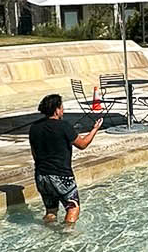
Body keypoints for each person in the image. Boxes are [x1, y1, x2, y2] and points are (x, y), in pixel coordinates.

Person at [29, 92, 102, 225]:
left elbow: (34, 154)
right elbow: (83, 144)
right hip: (61, 175)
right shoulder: (64, 126)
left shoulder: (34, 128)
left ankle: (48, 235)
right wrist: (95, 130)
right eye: (62, 107)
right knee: (73, 208)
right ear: (56, 110)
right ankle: (67, 237)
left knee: (51, 211)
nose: (63, 110)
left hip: (41, 176)